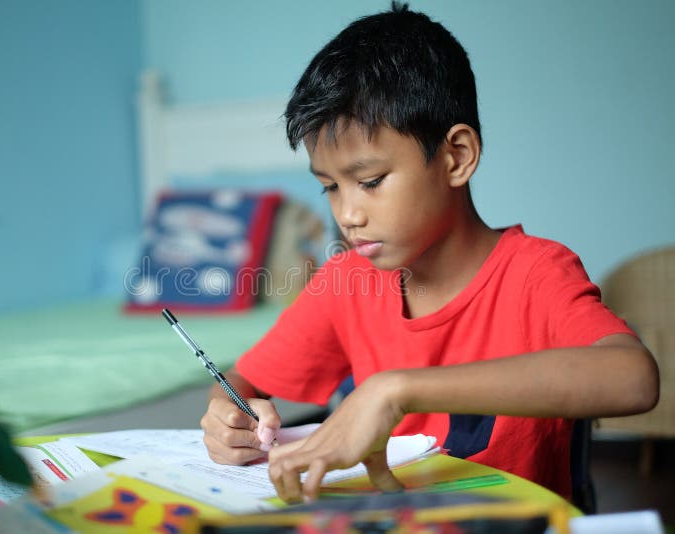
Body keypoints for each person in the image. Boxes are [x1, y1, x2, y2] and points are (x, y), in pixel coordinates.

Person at [199, 2, 659, 504]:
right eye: (330, 187)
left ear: (456, 157)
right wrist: (230, 415)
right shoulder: (347, 281)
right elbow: (244, 380)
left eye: (369, 181)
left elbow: (634, 378)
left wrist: (395, 390)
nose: (347, 214)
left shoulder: (534, 274)